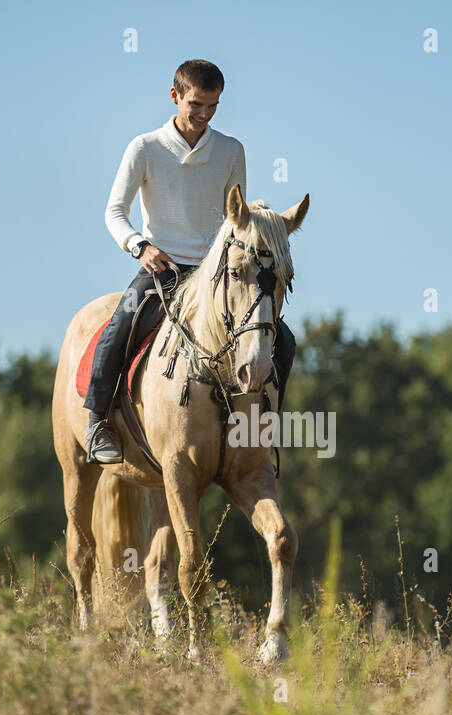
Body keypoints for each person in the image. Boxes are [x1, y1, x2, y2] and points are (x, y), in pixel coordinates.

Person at [85, 59, 295, 464]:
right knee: (120, 326)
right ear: (175, 96)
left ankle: (261, 429)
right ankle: (98, 422)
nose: (203, 115)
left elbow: (236, 220)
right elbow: (114, 211)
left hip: (216, 274)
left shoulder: (232, 150)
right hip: (160, 268)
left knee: (282, 338)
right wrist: (140, 246)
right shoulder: (144, 147)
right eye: (196, 105)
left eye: (213, 106)